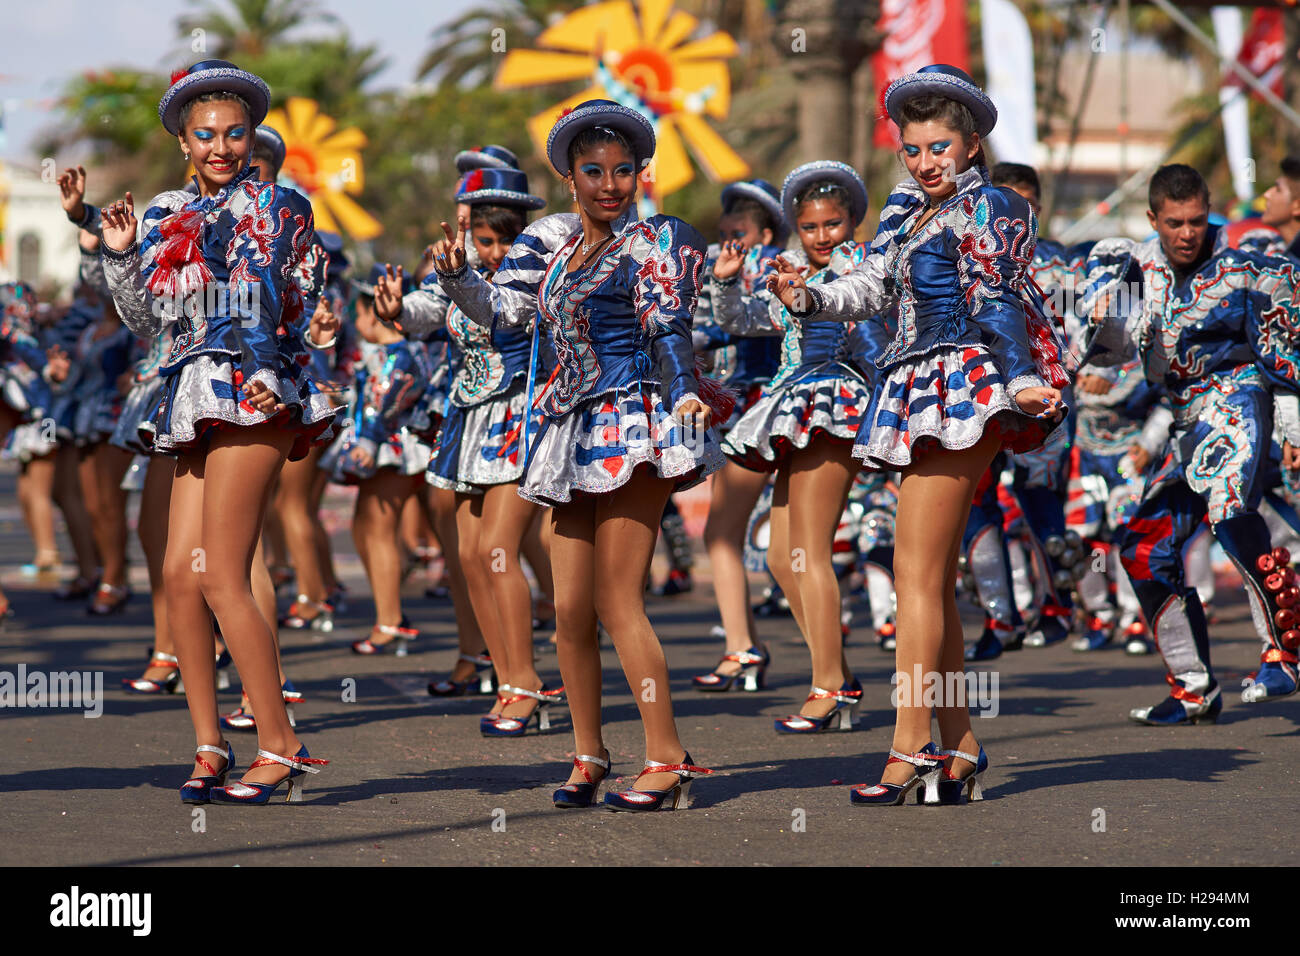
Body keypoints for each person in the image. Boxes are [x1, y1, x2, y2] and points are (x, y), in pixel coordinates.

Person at [767, 65, 1068, 804]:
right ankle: (960, 744)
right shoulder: (906, 215)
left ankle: (911, 747)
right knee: (923, 577)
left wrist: (1022, 377)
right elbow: (865, 289)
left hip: (966, 386)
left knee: (916, 577)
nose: (926, 161)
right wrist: (806, 294)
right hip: (912, 389)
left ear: (970, 146)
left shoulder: (990, 207)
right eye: (913, 149)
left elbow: (997, 299)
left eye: (940, 147)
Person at [428, 99, 722, 810]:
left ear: (641, 175)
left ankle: (668, 755)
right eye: (594, 171)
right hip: (568, 432)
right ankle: (588, 753)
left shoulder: (661, 240)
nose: (610, 184)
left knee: (620, 600)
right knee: (568, 611)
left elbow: (668, 324)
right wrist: (457, 278)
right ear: (569, 177)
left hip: (637, 423)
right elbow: (504, 313)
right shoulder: (554, 249)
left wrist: (684, 389)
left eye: (624, 171)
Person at [99, 59, 339, 804]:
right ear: (182, 139)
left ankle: (283, 743)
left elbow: (291, 300)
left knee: (219, 573)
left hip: (254, 394)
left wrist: (311, 329)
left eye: (236, 134)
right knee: (177, 576)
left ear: (253, 138)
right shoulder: (165, 213)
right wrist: (118, 257)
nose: (221, 148)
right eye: (205, 135)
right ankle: (210, 745)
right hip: (187, 396)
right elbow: (148, 323)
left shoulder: (280, 207)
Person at [1078, 163, 1300, 721]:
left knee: (1231, 515)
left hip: (1238, 399)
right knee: (1143, 551)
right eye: (1174, 222)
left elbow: (1281, 358)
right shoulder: (1134, 267)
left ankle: (1287, 650)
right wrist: (1103, 323)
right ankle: (1194, 687)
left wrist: (1293, 428)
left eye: (1196, 221)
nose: (1186, 233)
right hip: (1180, 417)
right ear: (1153, 218)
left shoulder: (1248, 265)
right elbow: (1116, 352)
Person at [375, 168, 554, 732]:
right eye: (487, 240)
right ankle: (505, 679)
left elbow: (494, 308)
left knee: (499, 548)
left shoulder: (538, 275)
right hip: (469, 419)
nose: (497, 250)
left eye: (507, 239)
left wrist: (460, 277)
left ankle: (527, 682)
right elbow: (425, 312)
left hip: (521, 418)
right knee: (471, 555)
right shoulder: (459, 269)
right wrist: (395, 311)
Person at [710, 162, 885, 730]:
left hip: (834, 408)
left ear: (852, 221)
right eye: (809, 228)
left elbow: (873, 323)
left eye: (832, 225)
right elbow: (740, 320)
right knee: (785, 559)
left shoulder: (862, 270)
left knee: (810, 549)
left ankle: (829, 686)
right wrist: (727, 279)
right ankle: (837, 675)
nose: (821, 237)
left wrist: (809, 291)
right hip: (788, 411)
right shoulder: (792, 272)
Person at [691, 179, 787, 692]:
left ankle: (745, 649)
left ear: (767, 232)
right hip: (747, 411)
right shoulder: (727, 268)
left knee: (725, 536)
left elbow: (741, 325)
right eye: (724, 232)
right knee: (781, 549)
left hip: (765, 411)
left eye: (741, 233)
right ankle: (748, 646)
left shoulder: (770, 266)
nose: (729, 242)